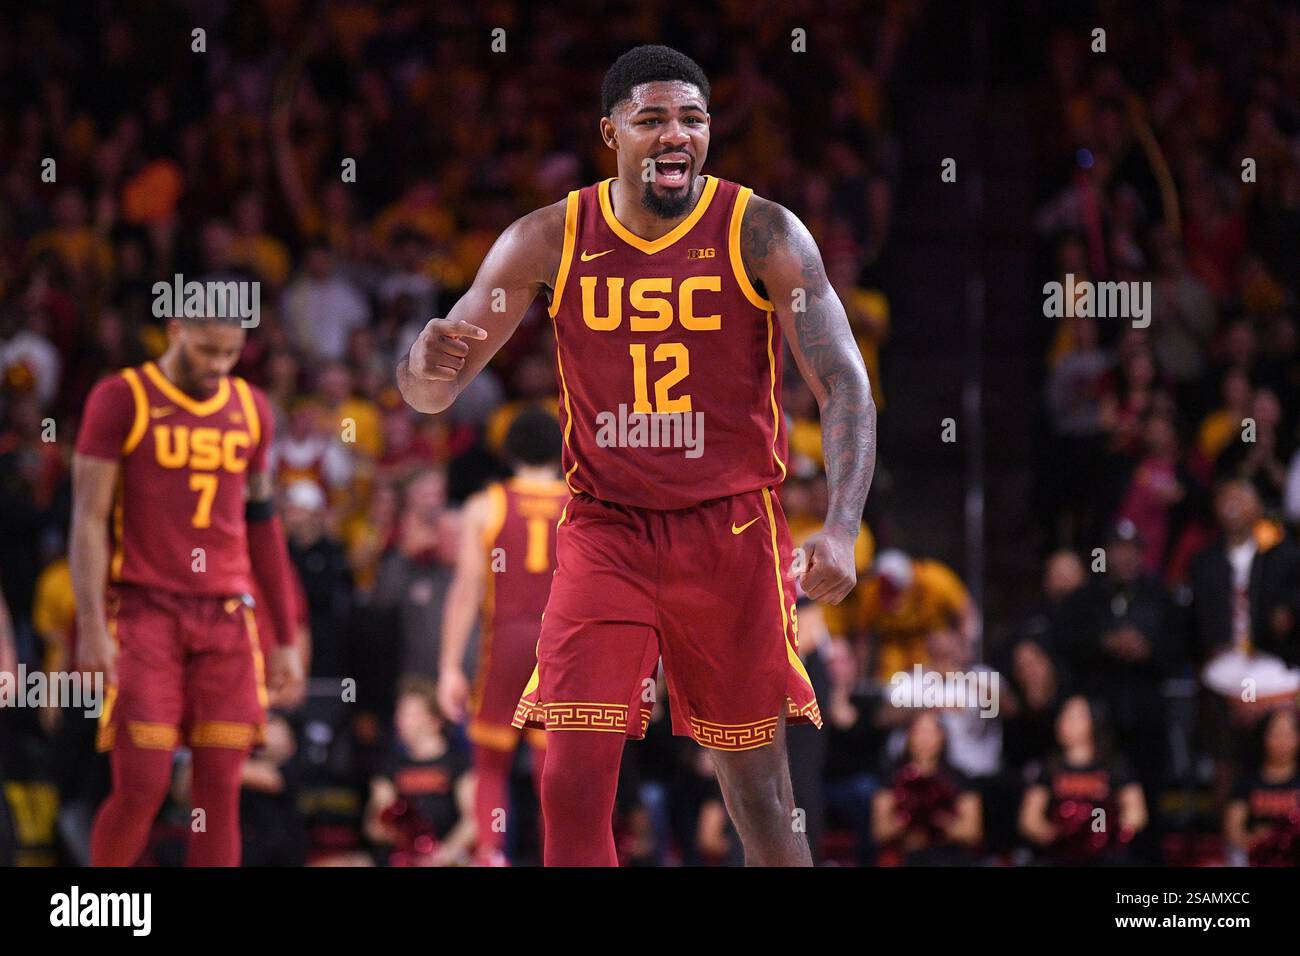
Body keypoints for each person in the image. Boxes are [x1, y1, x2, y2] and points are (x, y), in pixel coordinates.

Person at [398, 45, 874, 866]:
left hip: (726, 532)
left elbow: (845, 387)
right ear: (610, 132)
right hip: (606, 529)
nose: (675, 136)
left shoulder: (762, 229)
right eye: (652, 119)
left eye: (692, 119)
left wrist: (839, 526)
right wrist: (420, 366)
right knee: (570, 780)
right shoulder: (548, 236)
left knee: (761, 798)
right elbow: (430, 392)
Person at [70, 311, 304, 866]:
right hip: (144, 611)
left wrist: (286, 636)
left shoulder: (252, 408)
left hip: (226, 618)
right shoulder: (121, 397)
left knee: (220, 794)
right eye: (207, 351)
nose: (218, 366)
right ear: (176, 329)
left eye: (230, 354)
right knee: (143, 787)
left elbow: (264, 523)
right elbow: (87, 520)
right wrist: (90, 627)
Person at [438, 407, 566, 865]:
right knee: (555, 767)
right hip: (562, 647)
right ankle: (561, 855)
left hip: (506, 641)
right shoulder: (579, 503)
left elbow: (465, 593)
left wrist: (449, 666)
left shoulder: (484, 505)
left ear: (507, 450)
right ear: (561, 450)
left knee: (490, 760)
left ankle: (490, 854)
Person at [1018, 695, 1147, 865]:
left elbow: (1137, 813)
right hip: (1060, 854)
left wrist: (1111, 833)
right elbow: (1029, 818)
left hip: (1106, 854)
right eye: (1063, 715)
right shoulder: (1048, 767)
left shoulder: (1115, 766)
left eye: (1075, 716)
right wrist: (1056, 835)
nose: (1065, 722)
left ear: (1094, 721)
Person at [365, 676, 475, 867]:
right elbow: (374, 825)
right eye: (399, 712)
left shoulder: (458, 763)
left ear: (435, 721)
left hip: (447, 857)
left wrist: (442, 854)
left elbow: (473, 821)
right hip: (400, 857)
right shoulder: (390, 765)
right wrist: (407, 839)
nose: (400, 720)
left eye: (410, 714)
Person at [1223, 707, 1300, 866]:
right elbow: (1233, 829)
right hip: (1253, 855)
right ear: (1263, 736)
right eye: (1275, 733)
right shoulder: (1247, 781)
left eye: (1288, 734)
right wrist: (1260, 845)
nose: (1281, 741)